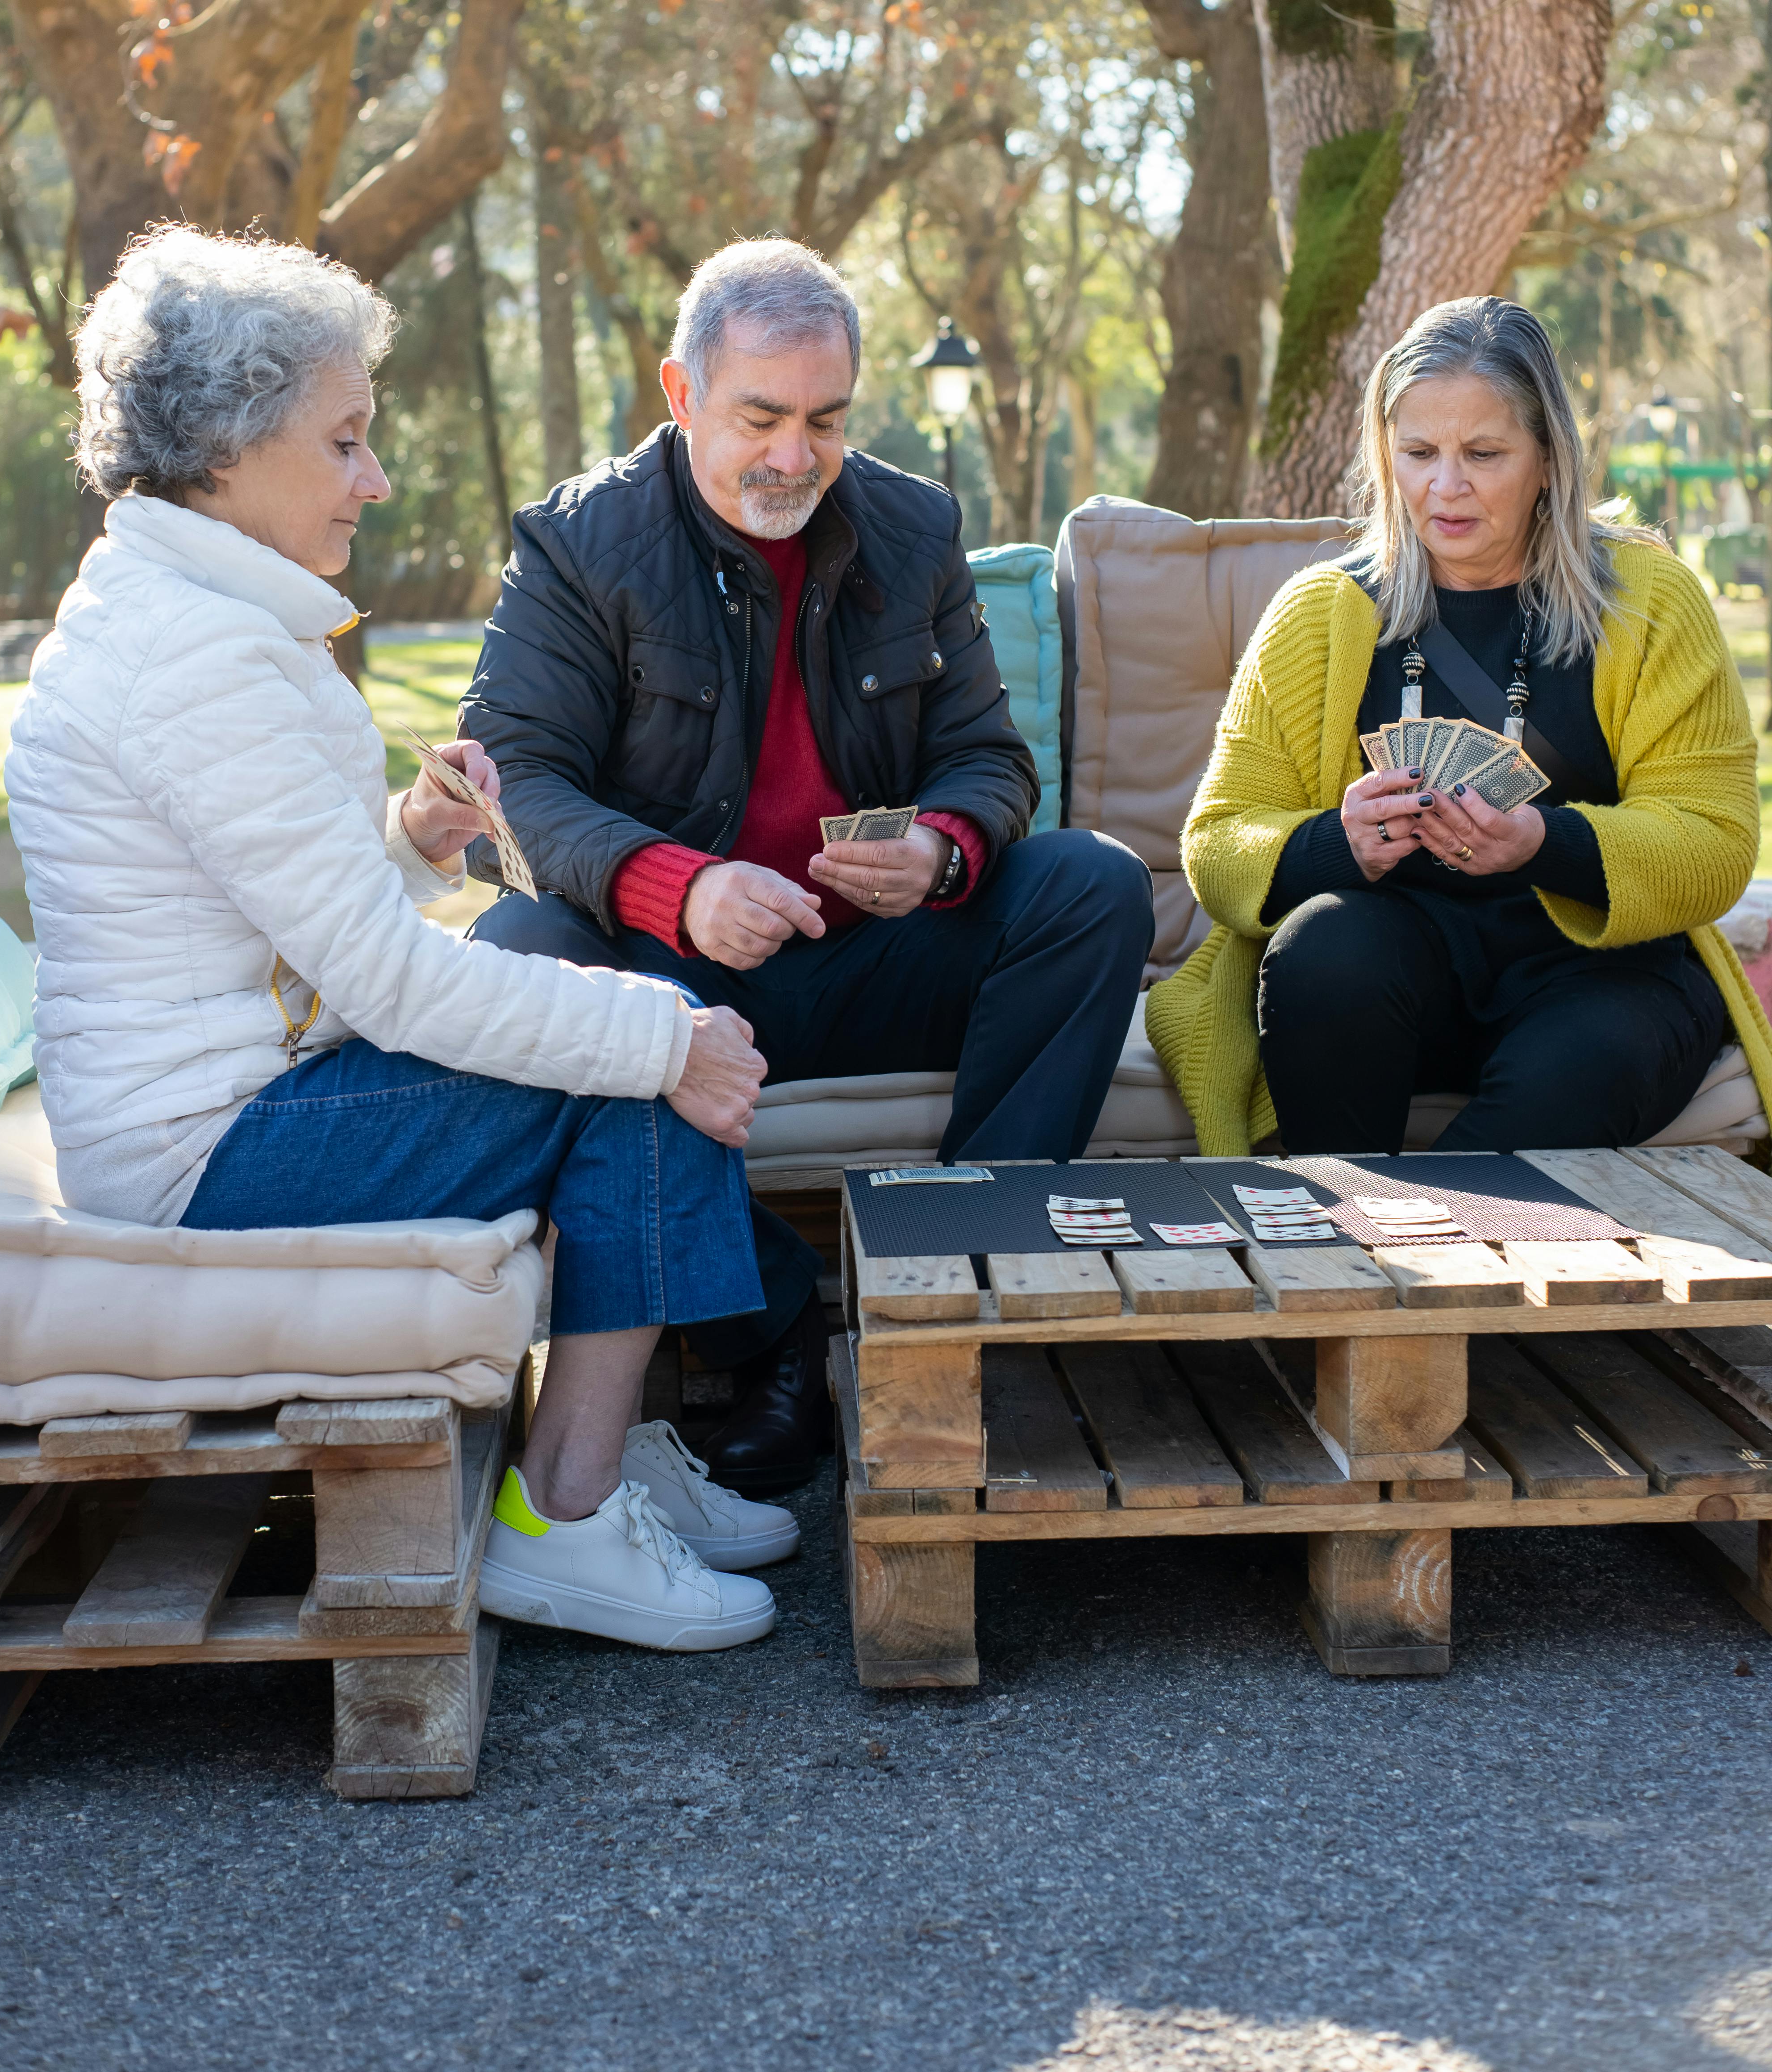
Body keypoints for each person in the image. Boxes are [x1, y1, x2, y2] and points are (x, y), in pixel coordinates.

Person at [4, 224, 798, 1655]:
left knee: (633, 1027)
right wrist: (663, 1036)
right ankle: (567, 1509)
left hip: (233, 1098)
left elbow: (236, 906)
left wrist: (401, 842)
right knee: (645, 1059)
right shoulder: (195, 654)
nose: (375, 478)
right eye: (347, 441)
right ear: (233, 450)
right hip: (209, 1149)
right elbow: (378, 980)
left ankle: (600, 1467)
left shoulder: (182, 611)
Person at [464, 238, 1155, 1489]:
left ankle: (963, 1289)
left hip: (869, 956)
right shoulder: (578, 544)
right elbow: (510, 797)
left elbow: (991, 762)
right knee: (518, 952)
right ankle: (780, 1330)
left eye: (826, 421)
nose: (796, 458)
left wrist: (943, 851)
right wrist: (674, 885)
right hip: (675, 977)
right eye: (762, 418)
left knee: (1091, 883)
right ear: (680, 396)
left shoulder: (913, 523)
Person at [1147, 294, 1772, 1156]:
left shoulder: (1651, 601)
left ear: (1549, 457)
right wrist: (1342, 844)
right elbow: (1220, 840)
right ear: (1386, 455)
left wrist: (1542, 844)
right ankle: (1346, 1232)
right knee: (1323, 952)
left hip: (1602, 973)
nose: (1446, 487)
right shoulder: (1322, 612)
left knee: (1586, 1061)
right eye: (1419, 453)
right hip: (1397, 960)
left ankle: (1405, 1242)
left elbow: (1714, 840)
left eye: (1484, 453)